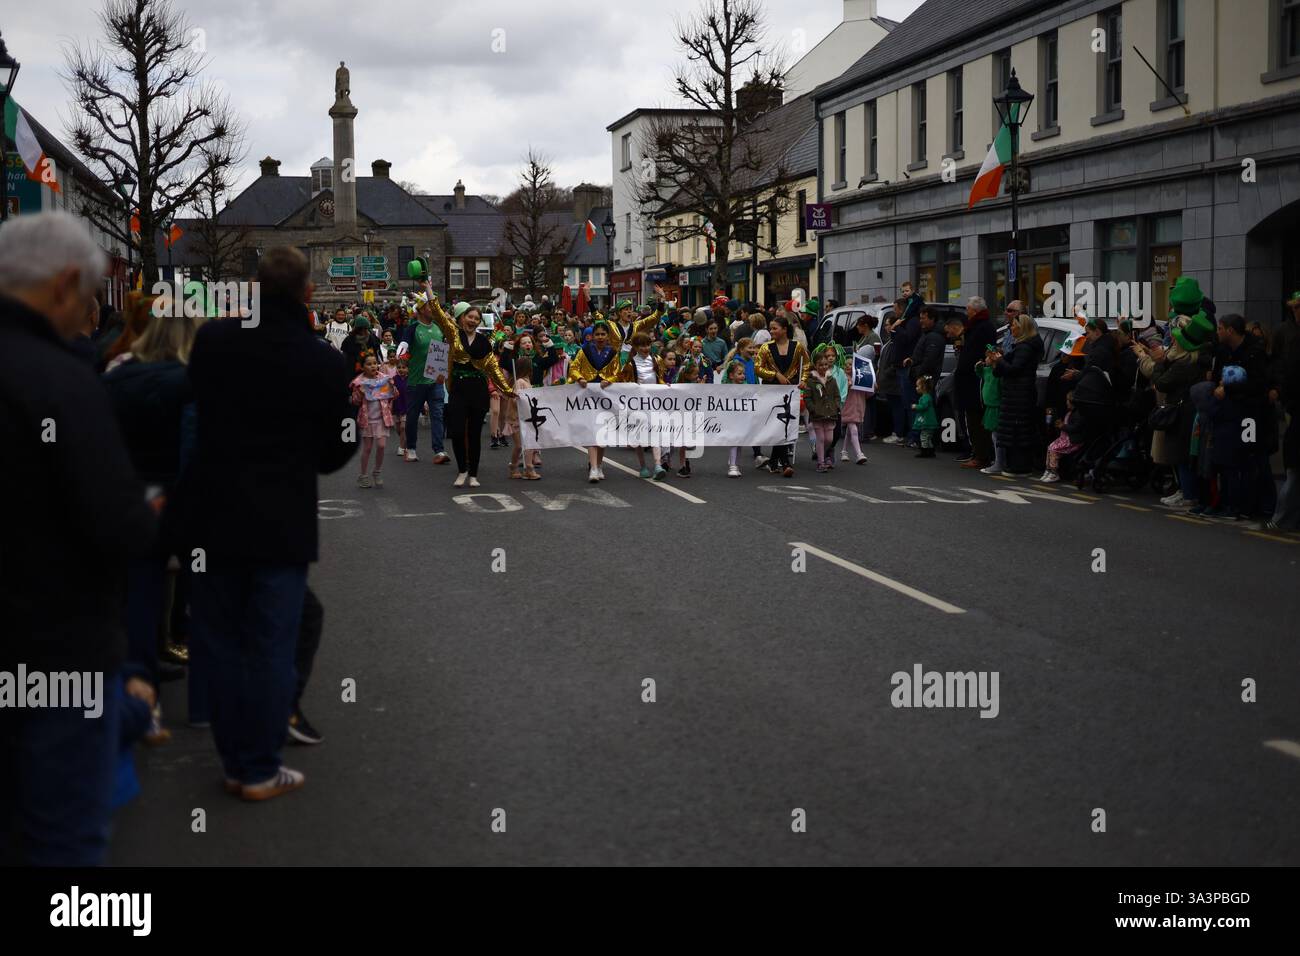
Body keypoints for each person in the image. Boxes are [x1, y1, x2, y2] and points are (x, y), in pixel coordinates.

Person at [0, 211, 158, 864]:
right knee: (62, 843)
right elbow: (114, 525)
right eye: (93, 296)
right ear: (65, 286)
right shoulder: (63, 381)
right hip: (54, 651)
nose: (95, 314)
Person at [183, 246, 355, 801]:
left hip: (214, 515)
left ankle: (236, 762)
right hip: (282, 522)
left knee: (222, 641)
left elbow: (199, 411)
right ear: (308, 293)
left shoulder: (212, 343)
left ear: (254, 286)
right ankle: (258, 767)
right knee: (271, 646)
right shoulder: (324, 362)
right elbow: (333, 455)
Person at [102, 300, 202, 739]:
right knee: (202, 602)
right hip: (185, 502)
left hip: (133, 500)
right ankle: (203, 704)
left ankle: (143, 706)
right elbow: (195, 448)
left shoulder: (117, 377)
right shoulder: (193, 382)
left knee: (140, 603)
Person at [425, 282, 515, 487]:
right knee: (457, 431)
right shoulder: (453, 334)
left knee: (474, 433)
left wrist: (507, 390)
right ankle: (462, 470)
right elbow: (437, 312)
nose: (473, 320)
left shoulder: (484, 342)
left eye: (476, 318)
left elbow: (493, 368)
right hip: (458, 389)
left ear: (479, 322)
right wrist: (427, 288)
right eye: (469, 317)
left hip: (478, 391)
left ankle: (473, 474)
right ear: (462, 318)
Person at [1137, 312, 1215, 508]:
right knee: (1186, 455)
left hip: (1182, 411)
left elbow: (1162, 383)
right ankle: (1185, 491)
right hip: (1190, 411)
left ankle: (1188, 493)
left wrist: (1159, 363)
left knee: (1182, 455)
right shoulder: (1199, 359)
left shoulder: (1184, 363)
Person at [986, 313, 1045, 476]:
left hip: (1020, 394)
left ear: (1022, 327)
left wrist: (1000, 361)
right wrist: (997, 362)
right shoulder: (1019, 346)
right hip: (1014, 394)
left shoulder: (1026, 347)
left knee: (1018, 429)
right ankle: (1014, 464)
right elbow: (1003, 370)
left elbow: (1014, 369)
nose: (1011, 328)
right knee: (1013, 430)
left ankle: (1020, 466)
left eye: (1013, 325)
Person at [755, 314, 811, 476]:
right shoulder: (766, 348)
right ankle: (782, 461)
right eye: (770, 328)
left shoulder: (798, 346)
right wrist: (774, 374)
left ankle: (777, 461)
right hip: (771, 391)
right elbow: (758, 368)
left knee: (785, 425)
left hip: (790, 391)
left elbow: (806, 365)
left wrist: (803, 380)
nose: (771, 331)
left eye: (774, 328)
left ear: (784, 329)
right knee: (777, 425)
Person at [401, 293, 449, 464]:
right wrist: (403, 350)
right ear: (421, 309)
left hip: (435, 380)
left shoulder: (439, 327)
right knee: (413, 415)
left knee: (438, 414)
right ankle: (411, 448)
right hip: (416, 381)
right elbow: (404, 346)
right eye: (429, 306)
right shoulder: (413, 328)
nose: (433, 309)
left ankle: (439, 451)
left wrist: (443, 372)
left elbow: (444, 349)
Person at [951, 297, 998, 468]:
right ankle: (977, 452)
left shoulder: (983, 327)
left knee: (976, 417)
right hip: (968, 376)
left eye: (968, 309)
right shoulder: (974, 326)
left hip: (975, 378)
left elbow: (985, 349)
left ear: (976, 310)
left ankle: (981, 455)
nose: (966, 312)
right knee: (971, 417)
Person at [617, 332, 669, 480]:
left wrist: (666, 386)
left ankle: (658, 465)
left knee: (655, 432)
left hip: (653, 403)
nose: (646, 348)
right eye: (642, 345)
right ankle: (643, 466)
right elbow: (624, 383)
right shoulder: (630, 364)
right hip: (637, 405)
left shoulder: (656, 360)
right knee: (638, 437)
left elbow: (660, 379)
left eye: (647, 344)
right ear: (635, 347)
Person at [350, 350, 399, 488]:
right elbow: (355, 401)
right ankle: (363, 475)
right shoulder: (359, 382)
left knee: (382, 446)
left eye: (375, 363)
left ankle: (377, 471)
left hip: (382, 418)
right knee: (367, 448)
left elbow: (394, 395)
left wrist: (392, 387)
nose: (373, 366)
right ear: (362, 367)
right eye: (369, 364)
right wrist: (360, 392)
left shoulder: (384, 379)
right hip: (367, 419)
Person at [806, 345, 843, 473]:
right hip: (817, 414)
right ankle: (821, 462)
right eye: (820, 365)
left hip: (830, 413)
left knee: (829, 439)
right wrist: (812, 408)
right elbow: (807, 397)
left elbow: (837, 395)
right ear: (815, 365)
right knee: (821, 438)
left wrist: (837, 406)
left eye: (825, 365)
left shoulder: (832, 380)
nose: (823, 367)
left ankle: (823, 451)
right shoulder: (811, 381)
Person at [722, 355, 754, 477]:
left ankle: (735, 462)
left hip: (742, 418)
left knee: (740, 441)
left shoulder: (746, 388)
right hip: (731, 419)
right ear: (731, 376)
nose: (743, 376)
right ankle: (733, 466)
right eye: (739, 373)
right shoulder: (727, 389)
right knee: (734, 440)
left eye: (743, 374)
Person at [1040, 393, 1083, 483]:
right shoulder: (1069, 412)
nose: (1066, 402)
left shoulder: (1078, 414)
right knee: (1050, 447)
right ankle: (1048, 469)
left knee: (1054, 449)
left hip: (1071, 440)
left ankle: (1054, 473)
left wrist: (1063, 426)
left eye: (1068, 401)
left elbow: (1076, 428)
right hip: (1064, 438)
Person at [912, 375, 939, 458]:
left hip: (927, 422)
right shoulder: (927, 396)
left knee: (924, 436)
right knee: (928, 437)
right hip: (929, 422)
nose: (916, 388)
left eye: (918, 386)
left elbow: (923, 406)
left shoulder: (925, 397)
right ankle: (931, 451)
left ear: (923, 387)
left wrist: (916, 406)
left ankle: (924, 452)